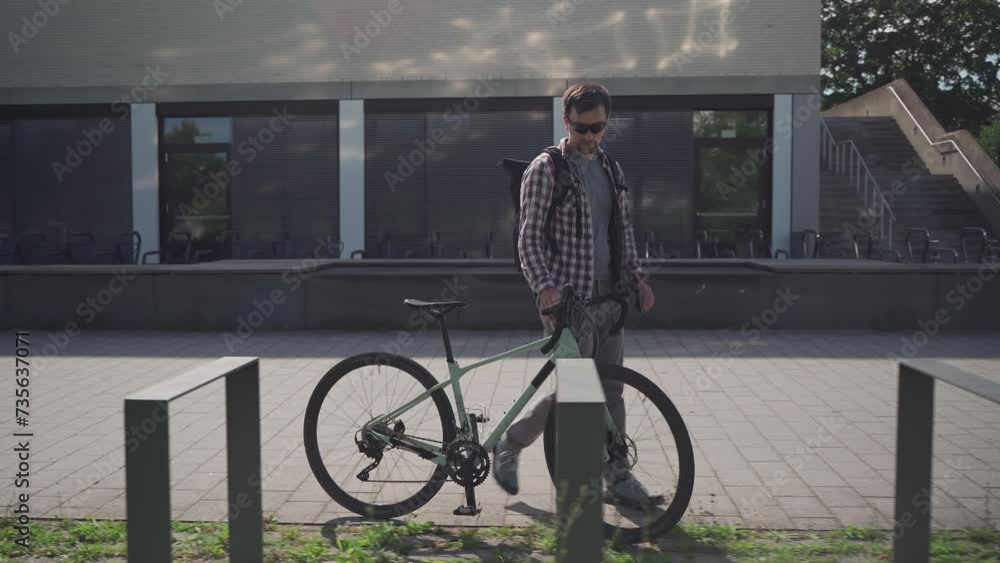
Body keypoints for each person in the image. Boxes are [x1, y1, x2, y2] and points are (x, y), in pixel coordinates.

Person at [492, 83, 657, 507]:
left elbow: (623, 231)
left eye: (598, 127)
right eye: (582, 128)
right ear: (566, 121)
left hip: (610, 296)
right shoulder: (546, 169)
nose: (590, 136)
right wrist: (544, 287)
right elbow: (527, 239)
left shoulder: (611, 169)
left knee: (611, 390)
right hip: (565, 298)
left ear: (606, 124)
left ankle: (618, 478)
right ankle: (511, 442)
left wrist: (638, 279)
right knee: (578, 391)